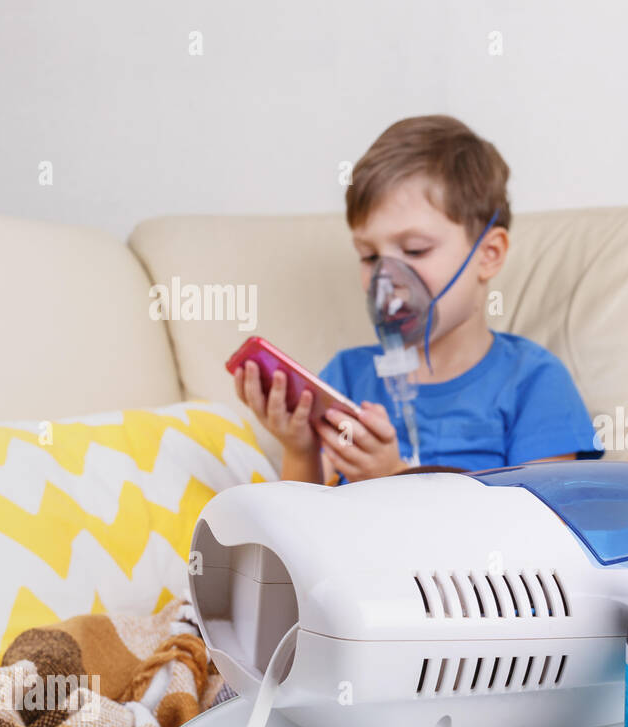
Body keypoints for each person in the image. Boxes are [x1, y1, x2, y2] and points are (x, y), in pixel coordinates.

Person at [234, 115, 602, 484]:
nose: (386, 279)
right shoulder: (346, 378)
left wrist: (393, 477)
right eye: (369, 257)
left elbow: (540, 525)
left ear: (488, 254)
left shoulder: (533, 382)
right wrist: (301, 450)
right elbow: (299, 524)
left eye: (415, 249)